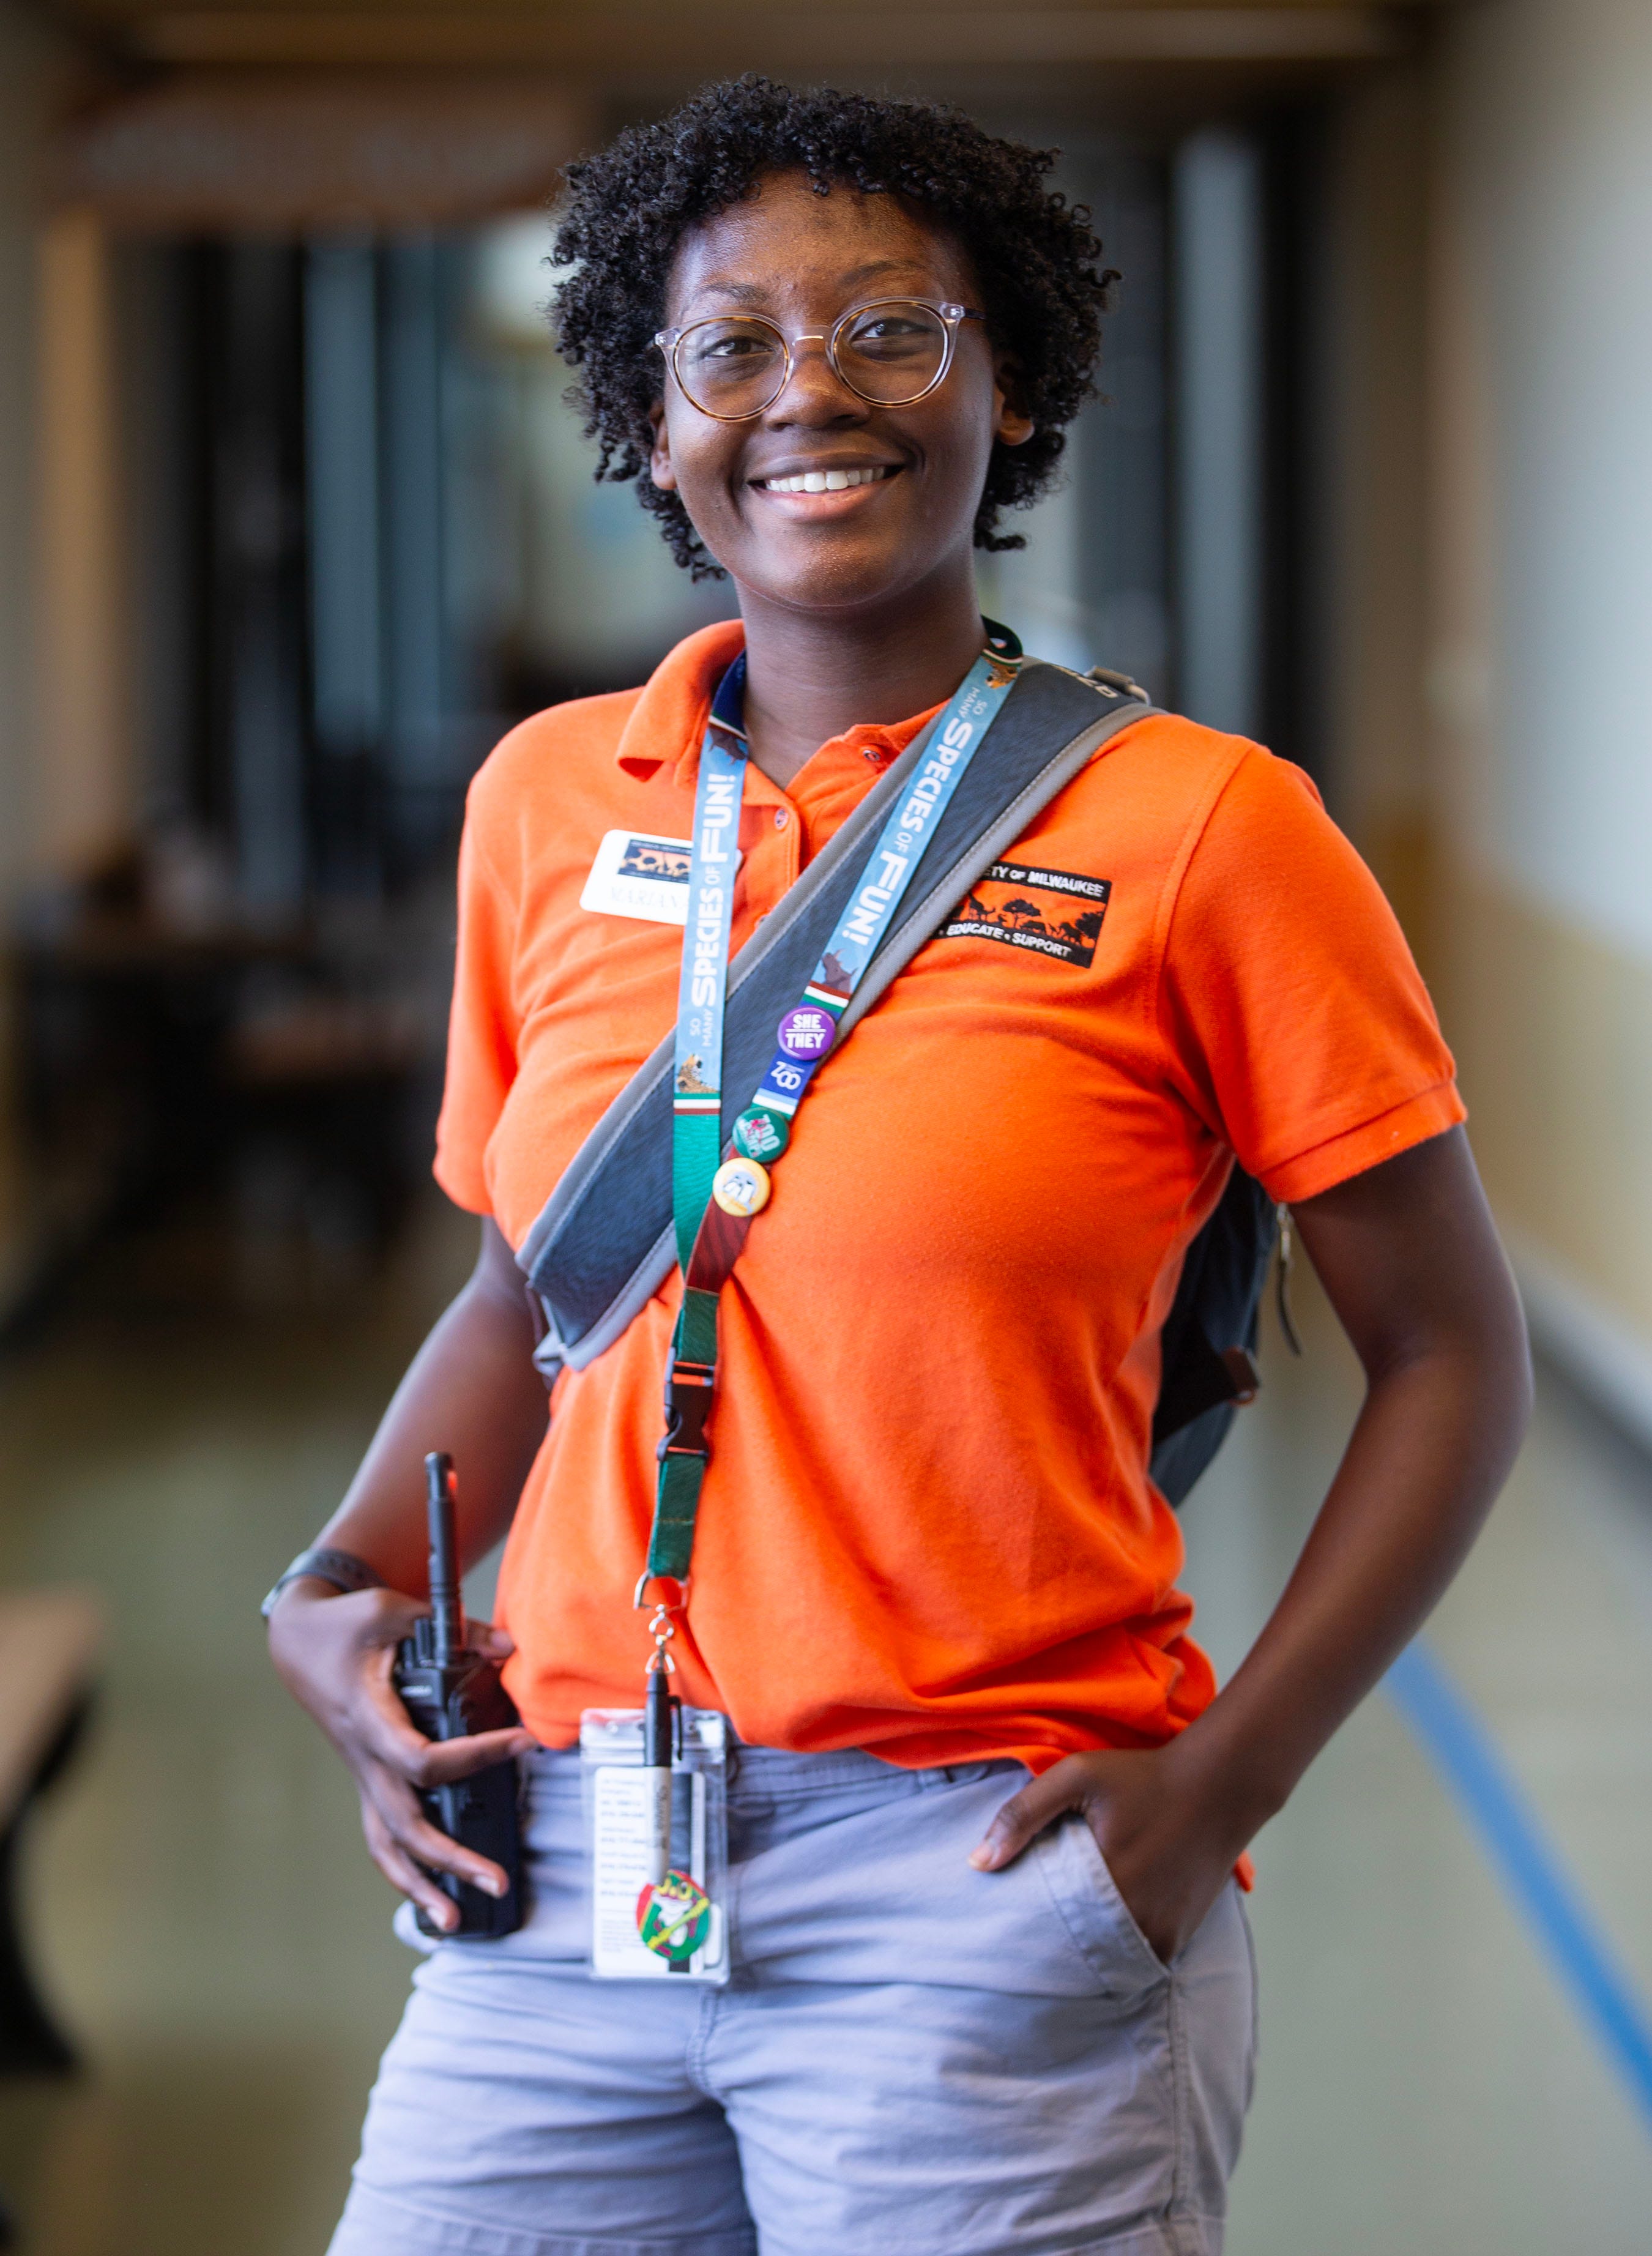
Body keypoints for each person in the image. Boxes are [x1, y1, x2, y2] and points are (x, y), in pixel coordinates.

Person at [268, 77, 1531, 2256]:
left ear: (1006, 379)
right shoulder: (555, 799)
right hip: (569, 1866)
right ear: (650, 420)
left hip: (980, 1875)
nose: (805, 396)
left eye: (890, 331)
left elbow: (1448, 1356)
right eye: (727, 345)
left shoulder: (1203, 830)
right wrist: (338, 1590)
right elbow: (528, 1301)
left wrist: (1223, 1781)